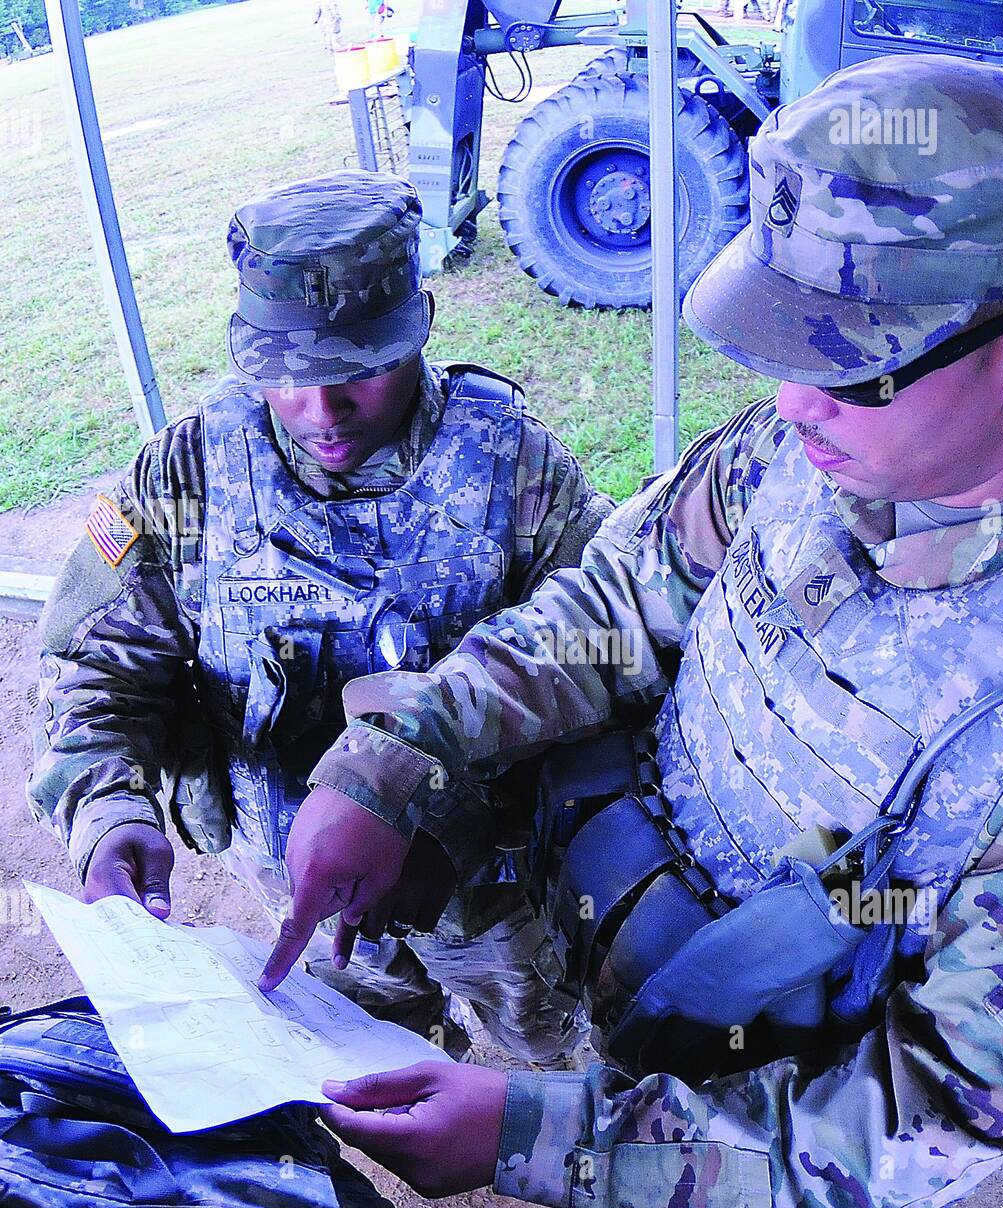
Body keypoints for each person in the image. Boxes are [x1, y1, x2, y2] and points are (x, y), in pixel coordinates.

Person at [255, 57, 1003, 1208]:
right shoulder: (806, 450)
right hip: (608, 968)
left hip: (764, 1160)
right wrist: (402, 749)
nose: (789, 399)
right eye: (785, 342)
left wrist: (546, 1142)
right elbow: (613, 609)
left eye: (848, 363)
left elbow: (933, 1110)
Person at [29, 171, 612, 1067]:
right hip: (290, 884)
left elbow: (600, 677)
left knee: (545, 1053)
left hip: (487, 898)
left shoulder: (519, 472)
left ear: (419, 326)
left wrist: (452, 827)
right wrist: (107, 808)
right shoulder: (187, 474)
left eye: (360, 370)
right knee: (356, 1055)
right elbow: (95, 667)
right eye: (286, 377)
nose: (323, 410)